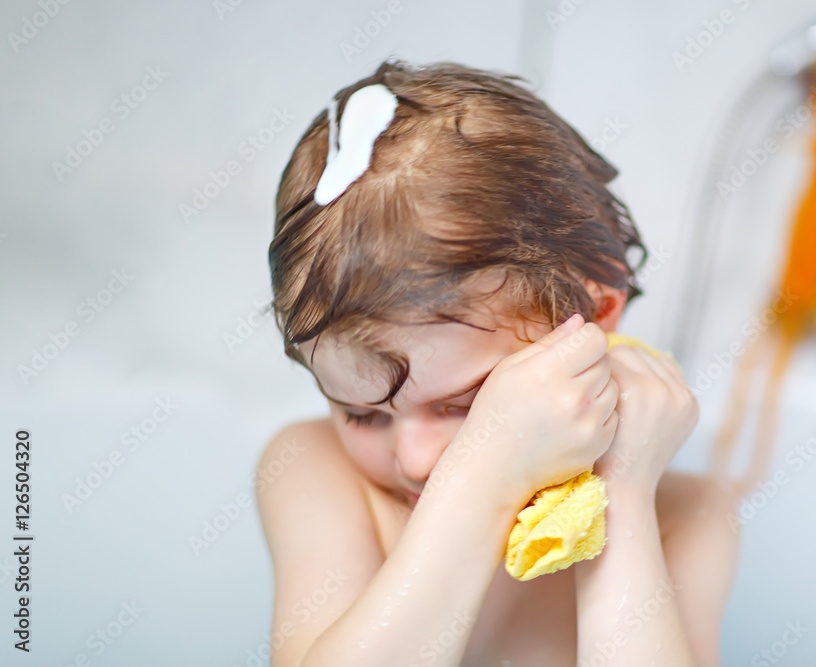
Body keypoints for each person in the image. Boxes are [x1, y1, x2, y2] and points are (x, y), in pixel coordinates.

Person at [257, 58, 740, 667]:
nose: (414, 458)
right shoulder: (316, 470)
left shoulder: (687, 516)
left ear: (592, 322)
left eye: (464, 405)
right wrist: (483, 475)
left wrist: (623, 490)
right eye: (362, 415)